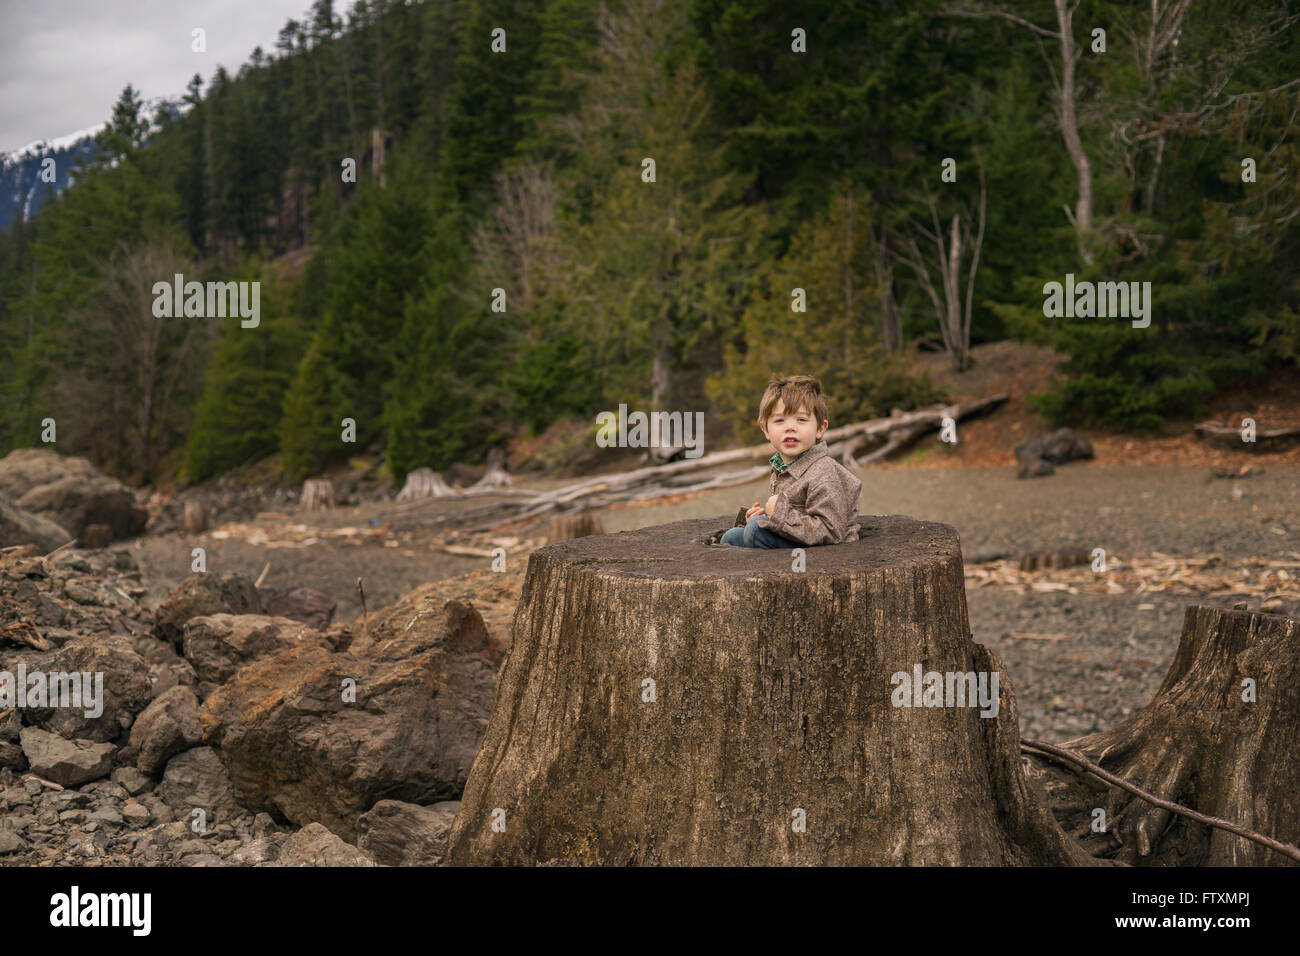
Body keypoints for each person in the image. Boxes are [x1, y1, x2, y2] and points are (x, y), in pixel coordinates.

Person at [720, 374, 862, 549]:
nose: (790, 427)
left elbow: (832, 531)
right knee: (732, 536)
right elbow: (796, 514)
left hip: (826, 553)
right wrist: (767, 517)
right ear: (765, 430)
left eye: (801, 420)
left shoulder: (823, 472)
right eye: (779, 420)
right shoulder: (782, 467)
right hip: (799, 540)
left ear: (820, 428)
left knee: (755, 531)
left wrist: (778, 514)